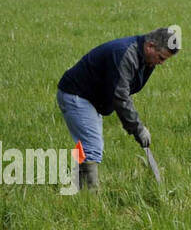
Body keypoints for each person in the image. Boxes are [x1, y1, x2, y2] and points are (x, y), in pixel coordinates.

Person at [56, 28, 180, 189]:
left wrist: (136, 126)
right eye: (161, 57)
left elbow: (125, 91)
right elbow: (120, 96)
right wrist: (138, 129)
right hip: (76, 95)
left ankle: (77, 188)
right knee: (92, 147)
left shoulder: (146, 59)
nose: (162, 63)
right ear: (150, 46)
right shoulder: (125, 54)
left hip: (91, 98)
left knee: (89, 145)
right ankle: (89, 197)